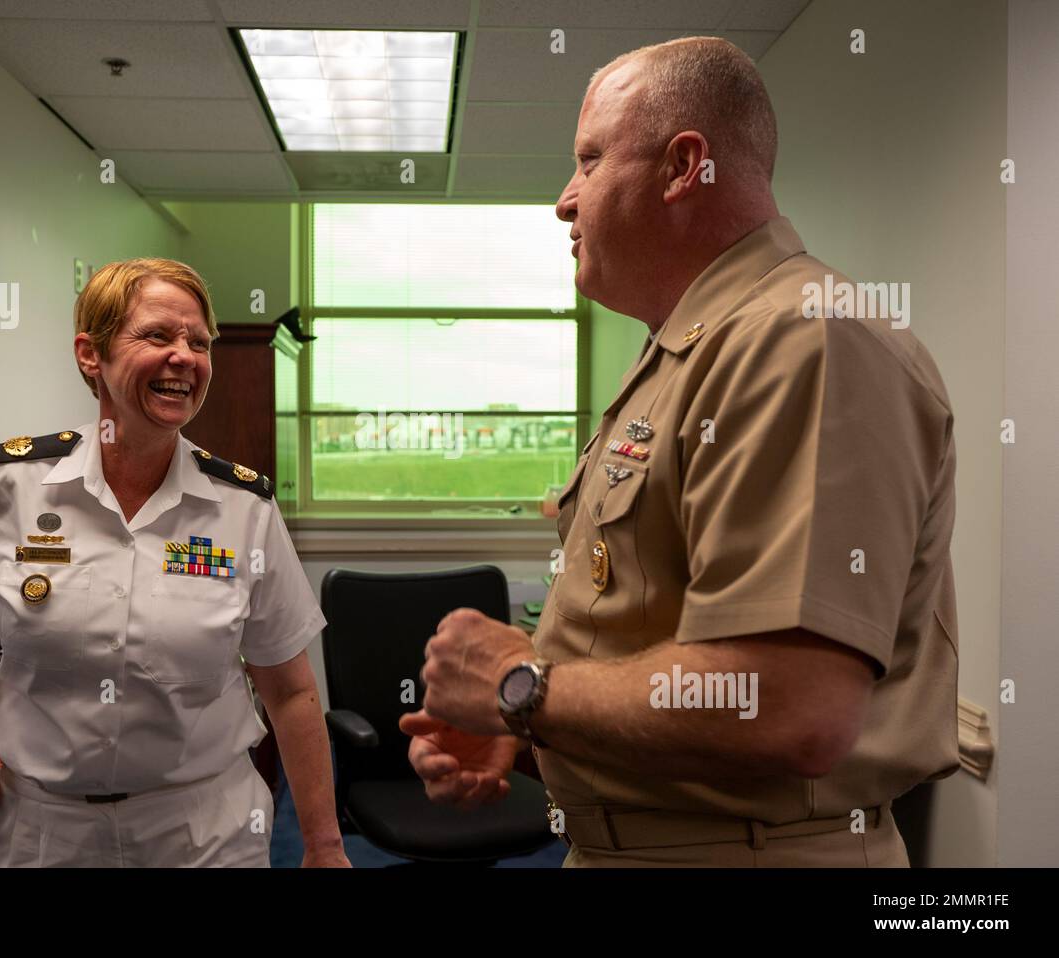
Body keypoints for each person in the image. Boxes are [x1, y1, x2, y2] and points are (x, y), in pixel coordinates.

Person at [401, 37, 960, 867]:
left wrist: (524, 688)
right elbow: (643, 626)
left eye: (588, 161)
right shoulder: (691, 351)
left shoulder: (801, 339)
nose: (565, 200)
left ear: (681, 167)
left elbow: (791, 705)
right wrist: (530, 734)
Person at [0, 257, 350, 868]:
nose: (186, 356)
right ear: (90, 354)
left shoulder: (241, 508)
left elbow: (290, 692)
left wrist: (324, 846)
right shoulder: (12, 487)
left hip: (205, 831)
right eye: (157, 335)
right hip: (44, 832)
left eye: (199, 343)